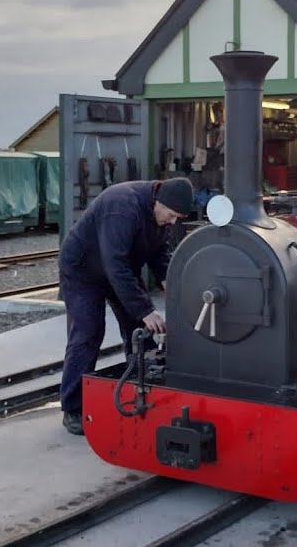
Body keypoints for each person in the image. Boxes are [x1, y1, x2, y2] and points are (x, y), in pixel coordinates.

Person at [58, 176, 194, 436]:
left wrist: (173, 286)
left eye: (178, 217)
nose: (173, 221)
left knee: (139, 330)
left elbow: (159, 254)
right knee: (88, 332)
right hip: (83, 270)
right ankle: (72, 407)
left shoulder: (160, 214)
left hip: (119, 269)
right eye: (172, 215)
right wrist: (145, 309)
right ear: (158, 201)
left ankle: (139, 386)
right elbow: (115, 265)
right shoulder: (122, 207)